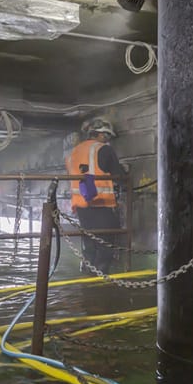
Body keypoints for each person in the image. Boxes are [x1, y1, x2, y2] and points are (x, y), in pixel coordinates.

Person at [65, 117, 127, 273]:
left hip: (81, 205)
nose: (108, 140)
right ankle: (102, 281)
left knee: (89, 243)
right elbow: (118, 175)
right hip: (101, 204)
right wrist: (126, 178)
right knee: (105, 244)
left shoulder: (75, 151)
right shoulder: (103, 149)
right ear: (101, 134)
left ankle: (87, 280)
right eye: (107, 136)